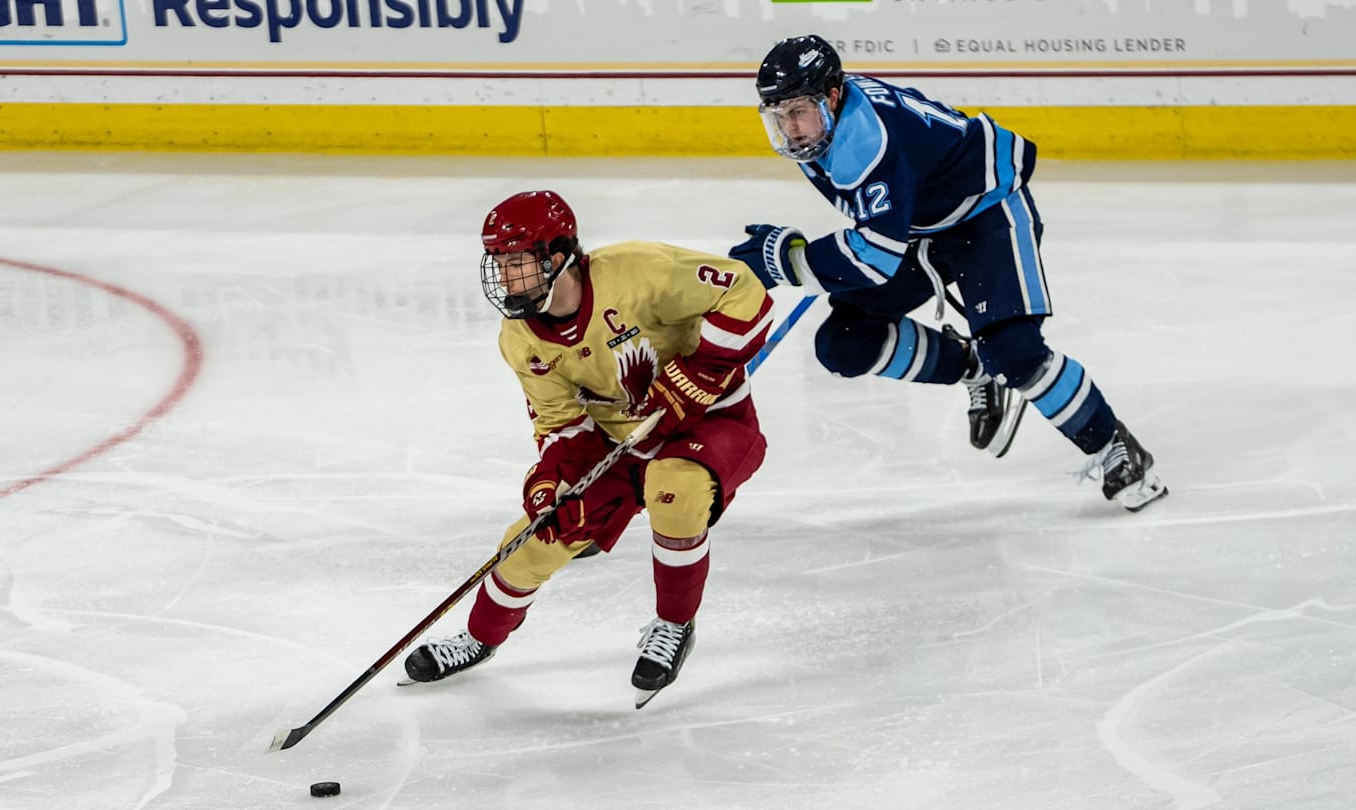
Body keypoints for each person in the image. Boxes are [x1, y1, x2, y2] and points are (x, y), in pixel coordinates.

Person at [728, 35, 1167, 511]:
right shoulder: (825, 130)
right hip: (923, 229)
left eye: (797, 111)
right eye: (779, 115)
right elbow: (879, 224)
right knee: (845, 342)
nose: (790, 128)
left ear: (831, 96)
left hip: (986, 210)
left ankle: (1114, 446)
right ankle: (971, 366)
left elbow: (874, 256)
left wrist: (787, 261)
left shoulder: (867, 137)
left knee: (1015, 352)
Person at [402, 190, 774, 708]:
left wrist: (698, 374)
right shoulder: (520, 338)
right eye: (500, 264)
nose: (506, 278)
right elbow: (561, 424)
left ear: (557, 258)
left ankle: (673, 626)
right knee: (533, 539)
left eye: (518, 263)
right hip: (618, 446)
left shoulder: (640, 271)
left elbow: (745, 292)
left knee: (677, 489)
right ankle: (478, 639)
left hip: (713, 420)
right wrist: (551, 481)